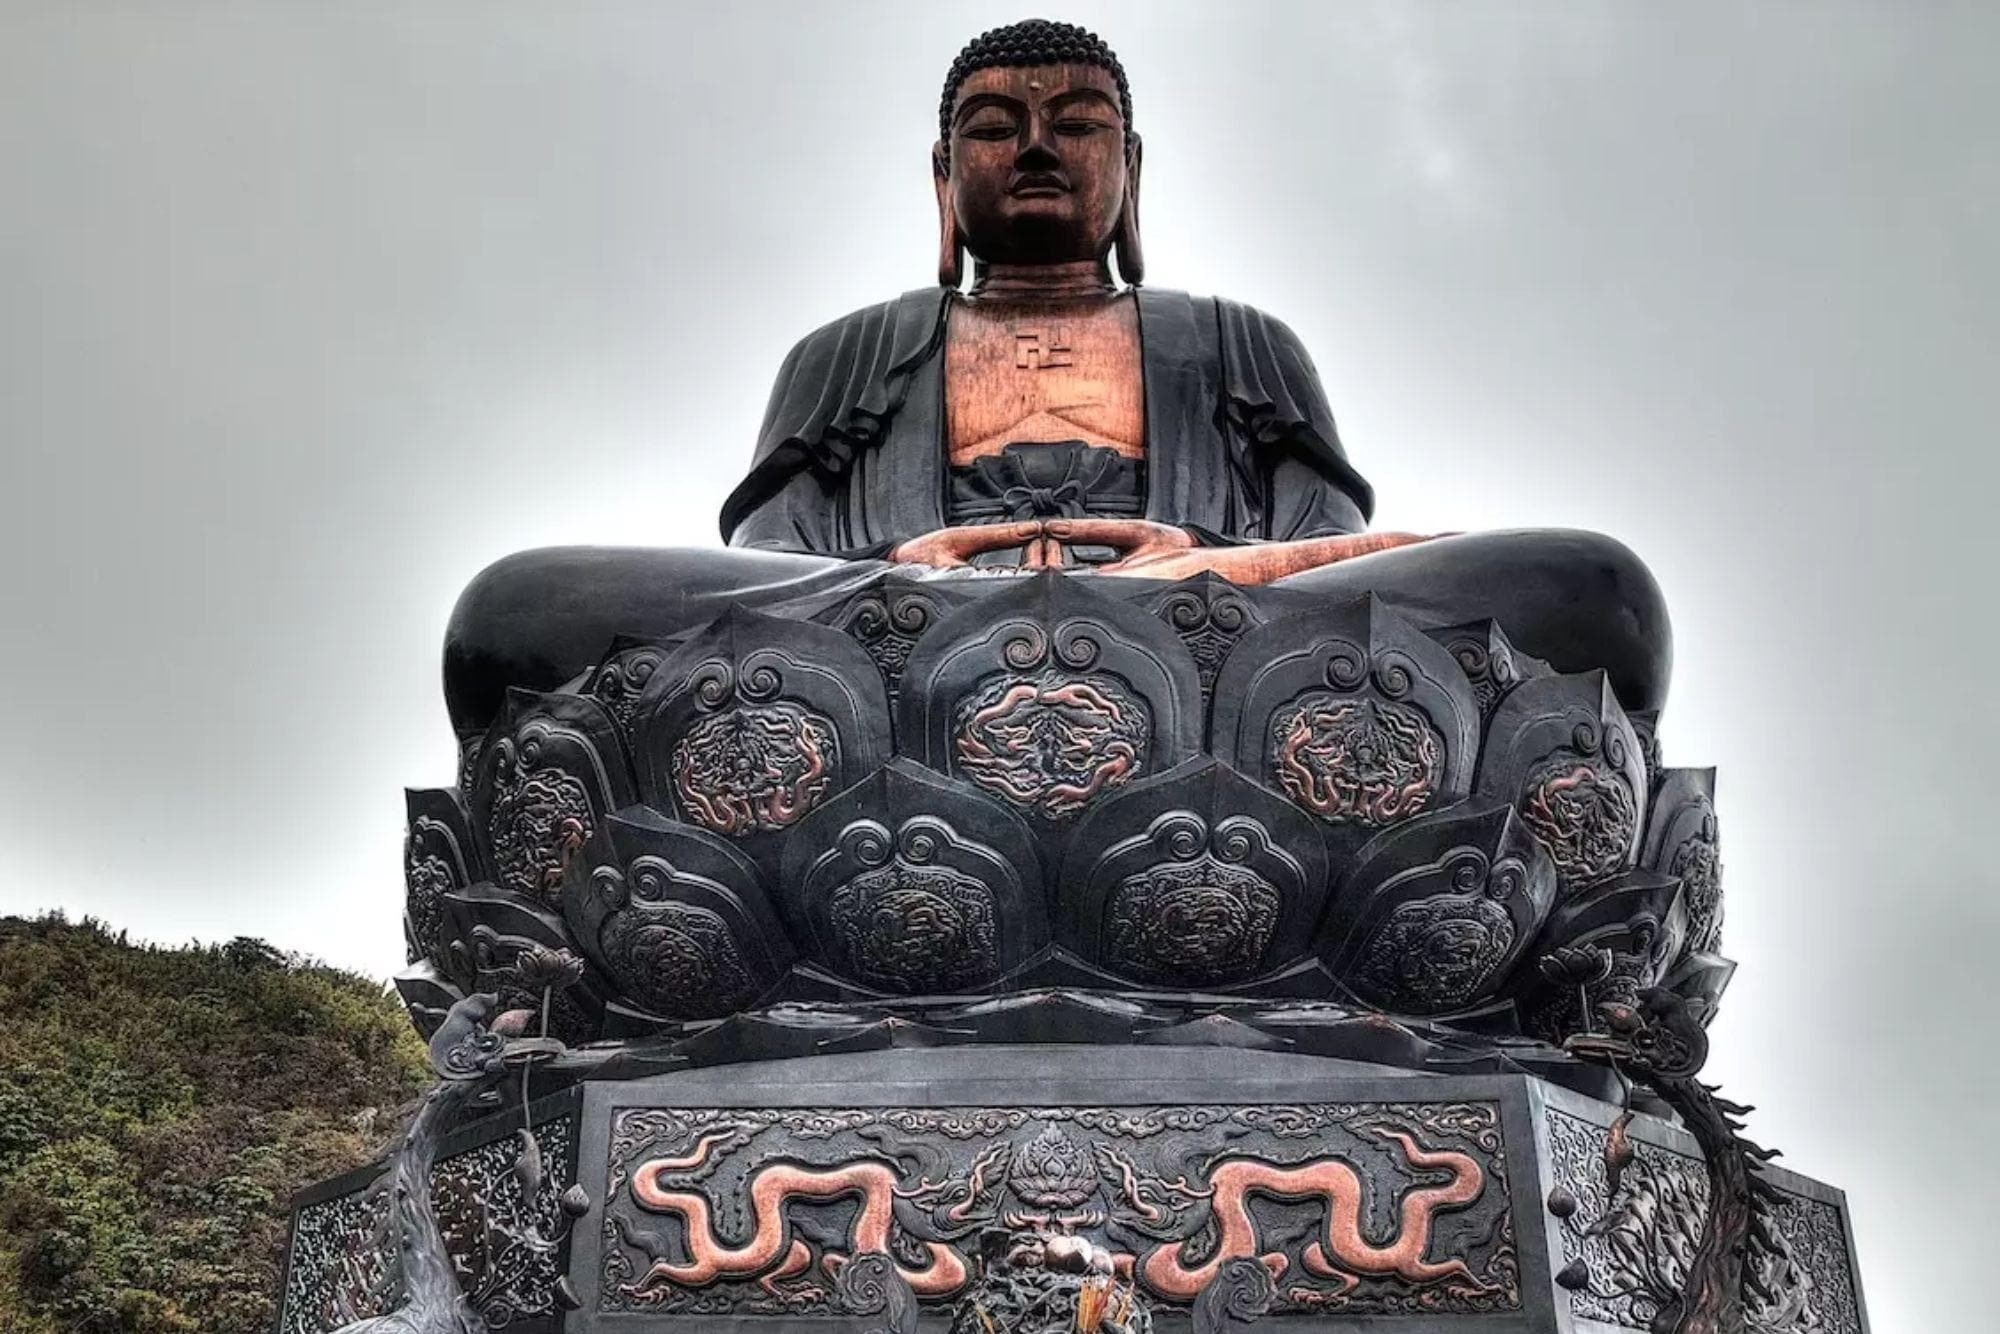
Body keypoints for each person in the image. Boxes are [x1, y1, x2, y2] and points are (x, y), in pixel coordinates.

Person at [445, 19, 1668, 741]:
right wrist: (906, 573)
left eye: (1073, 122)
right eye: (993, 126)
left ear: (1129, 171)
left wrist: (1197, 566)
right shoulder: (845, 353)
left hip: (1211, 668)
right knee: (514, 616)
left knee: (1589, 592)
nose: (1033, 146)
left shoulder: (1241, 339)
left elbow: (1335, 567)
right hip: (886, 669)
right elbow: (773, 574)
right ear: (941, 177)